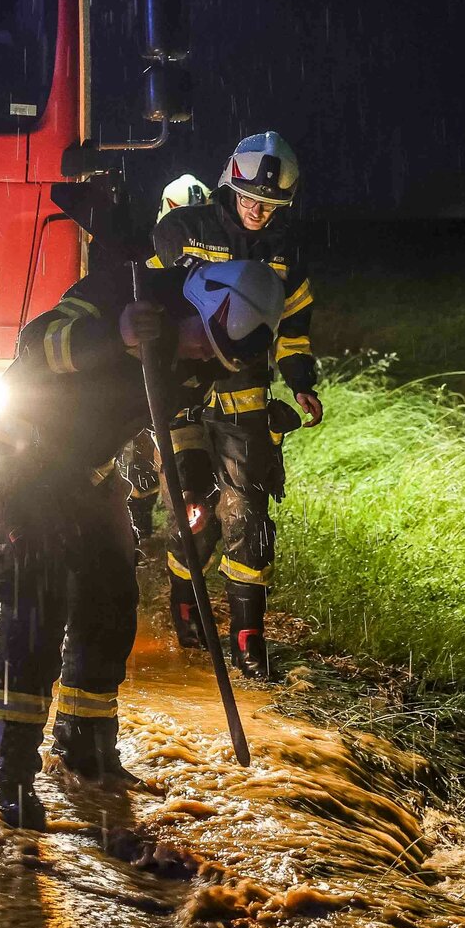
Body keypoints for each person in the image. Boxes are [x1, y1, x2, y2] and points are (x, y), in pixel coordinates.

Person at [0, 258, 285, 829]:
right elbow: (36, 342)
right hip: (25, 458)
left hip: (89, 470)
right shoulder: (125, 290)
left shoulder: (209, 345)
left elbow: (177, 417)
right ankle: (7, 770)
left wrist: (190, 480)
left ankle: (85, 747)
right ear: (196, 303)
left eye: (214, 358)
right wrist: (114, 333)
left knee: (111, 598)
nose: (200, 358)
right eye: (202, 345)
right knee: (35, 607)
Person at [148, 130, 320, 680]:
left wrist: (300, 381)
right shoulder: (186, 230)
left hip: (245, 395)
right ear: (229, 184)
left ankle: (248, 640)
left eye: (270, 205)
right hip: (182, 396)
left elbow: (292, 326)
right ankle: (186, 609)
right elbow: (140, 299)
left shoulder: (285, 252)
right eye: (249, 198)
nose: (257, 210)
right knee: (194, 508)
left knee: (248, 516)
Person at [123, 173, 215, 541]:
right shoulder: (143, 271)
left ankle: (167, 509)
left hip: (187, 387)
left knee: (183, 445)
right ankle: (140, 520)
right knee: (139, 453)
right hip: (145, 381)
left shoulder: (211, 271)